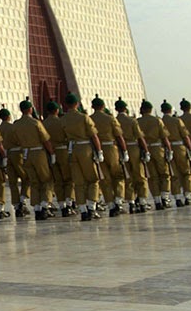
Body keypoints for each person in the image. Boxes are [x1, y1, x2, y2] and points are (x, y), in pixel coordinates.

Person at [59, 94, 103, 223]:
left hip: (72, 150)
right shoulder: (84, 117)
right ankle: (91, 207)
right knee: (93, 179)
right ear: (77, 104)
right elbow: (94, 136)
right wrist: (99, 151)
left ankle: (83, 210)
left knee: (78, 182)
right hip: (85, 149)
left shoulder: (63, 119)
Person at [12, 100, 55, 221]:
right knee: (46, 179)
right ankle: (44, 206)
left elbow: (16, 140)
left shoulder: (16, 125)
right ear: (30, 109)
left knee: (34, 181)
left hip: (26, 154)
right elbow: (45, 139)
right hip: (38, 153)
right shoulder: (35, 123)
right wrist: (52, 153)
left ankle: (36, 208)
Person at [89, 96, 128, 218]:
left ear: (92, 107)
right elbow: (119, 136)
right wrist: (124, 151)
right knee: (118, 176)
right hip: (111, 149)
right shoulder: (110, 119)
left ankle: (111, 205)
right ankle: (118, 201)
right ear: (103, 106)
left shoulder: (89, 119)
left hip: (97, 149)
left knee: (105, 179)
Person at [137, 100, 173, 210]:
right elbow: (164, 137)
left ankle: (157, 200)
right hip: (158, 149)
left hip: (145, 149)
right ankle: (165, 198)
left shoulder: (137, 121)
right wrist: (169, 149)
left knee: (153, 177)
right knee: (164, 174)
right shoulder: (157, 120)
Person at [114, 98, 149, 213]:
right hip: (134, 149)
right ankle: (142, 202)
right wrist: (146, 151)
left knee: (128, 177)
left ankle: (131, 203)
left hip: (120, 150)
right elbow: (140, 137)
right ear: (125, 108)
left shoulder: (114, 120)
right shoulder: (132, 121)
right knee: (140, 175)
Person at [158, 101, 191, 207]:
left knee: (174, 174)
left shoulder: (159, 121)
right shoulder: (177, 120)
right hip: (179, 148)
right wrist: (190, 148)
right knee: (187, 173)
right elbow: (185, 136)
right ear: (170, 110)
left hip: (166, 149)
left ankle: (177, 198)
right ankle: (188, 196)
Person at [0, 108, 29, 217]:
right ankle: (22, 199)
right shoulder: (13, 127)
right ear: (9, 116)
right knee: (26, 177)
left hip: (6, 155)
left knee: (12, 182)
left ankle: (16, 205)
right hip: (17, 154)